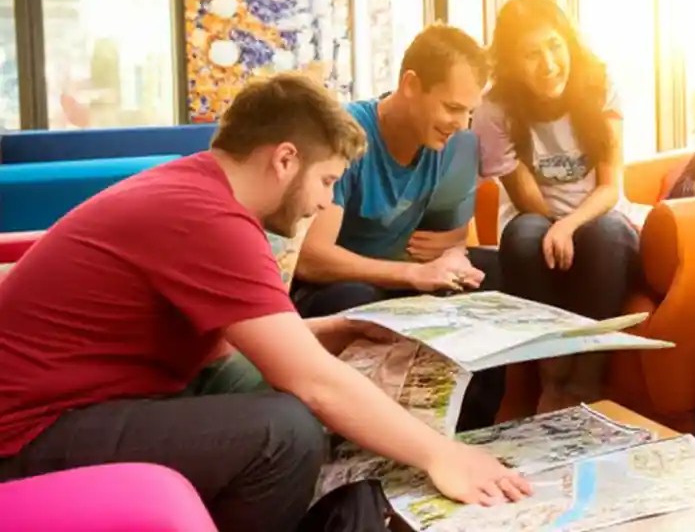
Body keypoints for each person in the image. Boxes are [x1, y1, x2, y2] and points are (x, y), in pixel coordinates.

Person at [0, 72, 530, 532]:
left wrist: (330, 329)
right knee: (286, 433)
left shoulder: (194, 190)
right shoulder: (209, 219)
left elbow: (223, 348)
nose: (325, 201)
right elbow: (314, 383)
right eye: (326, 180)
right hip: (26, 437)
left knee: (277, 385)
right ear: (284, 159)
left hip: (80, 405)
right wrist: (444, 455)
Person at [292, 24, 506, 430]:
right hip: (331, 288)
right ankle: (368, 440)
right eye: (451, 107)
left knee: (488, 277)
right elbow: (312, 258)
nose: (461, 122)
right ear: (411, 84)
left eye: (469, 111)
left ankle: (472, 433)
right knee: (357, 297)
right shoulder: (345, 133)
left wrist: (451, 257)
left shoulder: (458, 144)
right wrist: (412, 271)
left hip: (396, 274)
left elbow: (449, 242)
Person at [472, 0, 641, 413]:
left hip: (599, 220)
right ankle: (553, 378)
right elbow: (528, 200)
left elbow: (609, 188)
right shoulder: (495, 109)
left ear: (569, 44)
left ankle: (585, 382)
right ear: (511, 62)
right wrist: (557, 228)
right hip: (537, 226)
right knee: (524, 234)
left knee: (606, 233)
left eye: (554, 46)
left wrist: (570, 226)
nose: (548, 64)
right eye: (531, 54)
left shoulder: (600, 85)